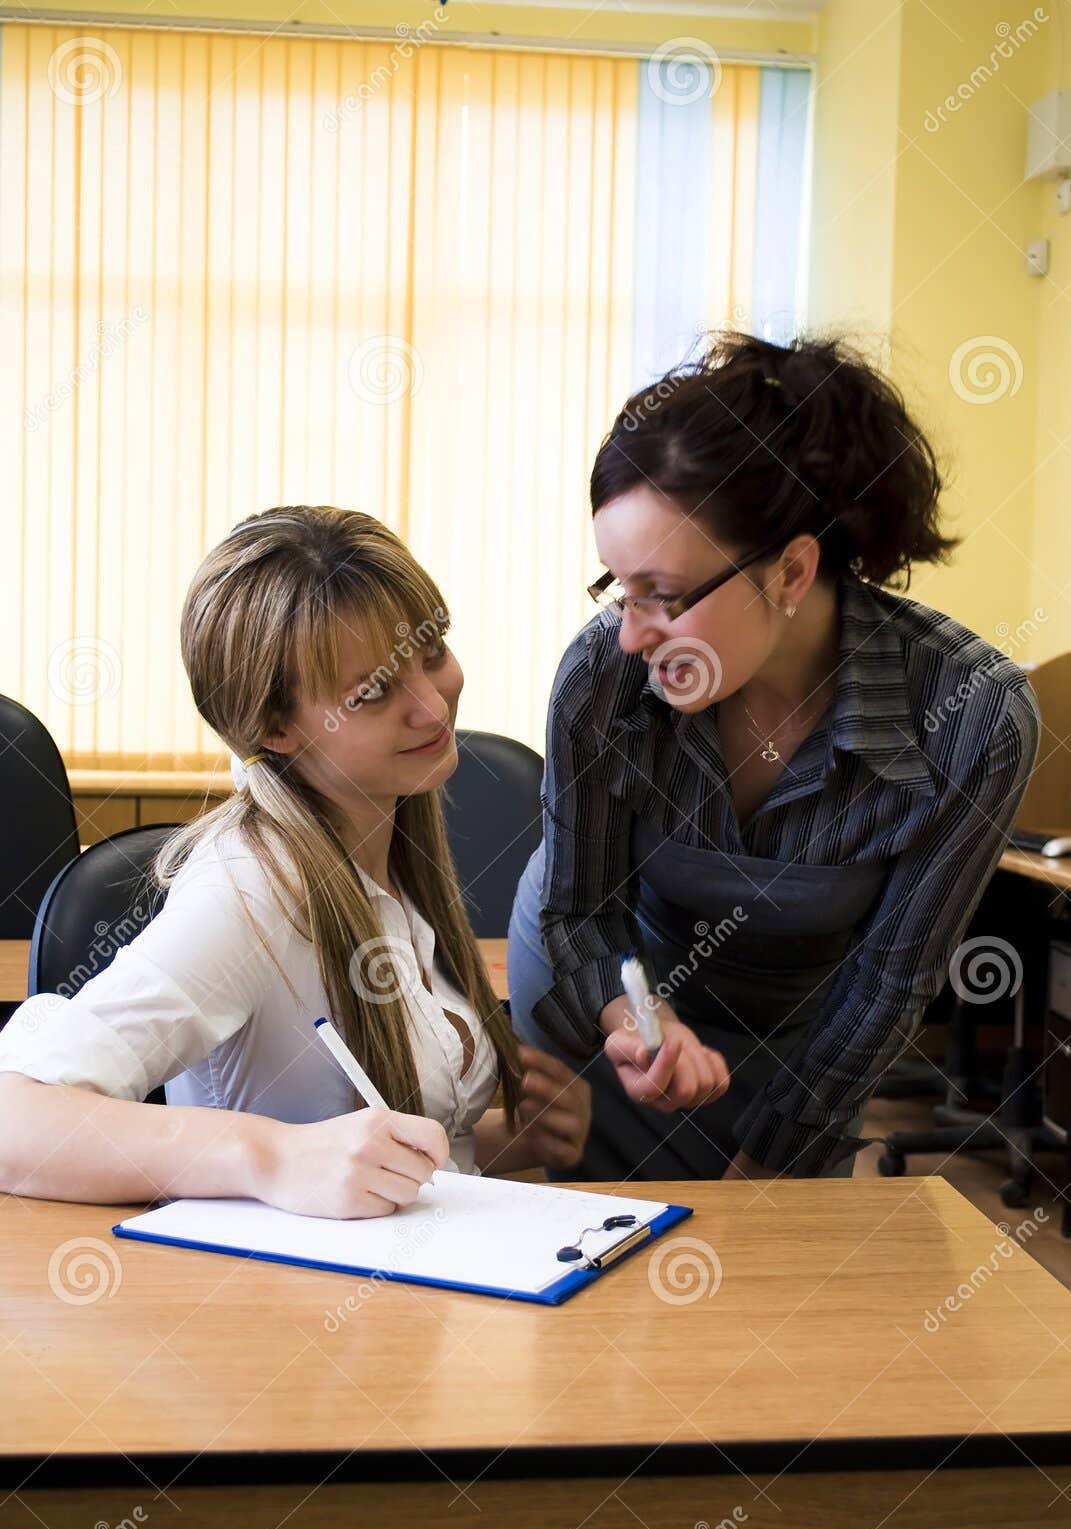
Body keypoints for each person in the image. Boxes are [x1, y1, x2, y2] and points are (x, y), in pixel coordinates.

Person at [508, 332, 1040, 1182]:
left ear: (791, 571)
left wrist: (770, 1165)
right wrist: (635, 1018)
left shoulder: (969, 715)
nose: (633, 633)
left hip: (805, 1039)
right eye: (618, 589)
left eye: (665, 597)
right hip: (612, 1001)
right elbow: (578, 912)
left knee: (763, 1280)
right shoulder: (603, 674)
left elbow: (885, 987)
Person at [0, 506, 590, 1217]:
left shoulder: (386, 848)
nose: (433, 708)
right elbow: (15, 1118)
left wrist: (504, 1140)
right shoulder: (250, 890)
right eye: (371, 692)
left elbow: (357, 1145)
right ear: (274, 728)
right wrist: (268, 1156)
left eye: (430, 650)